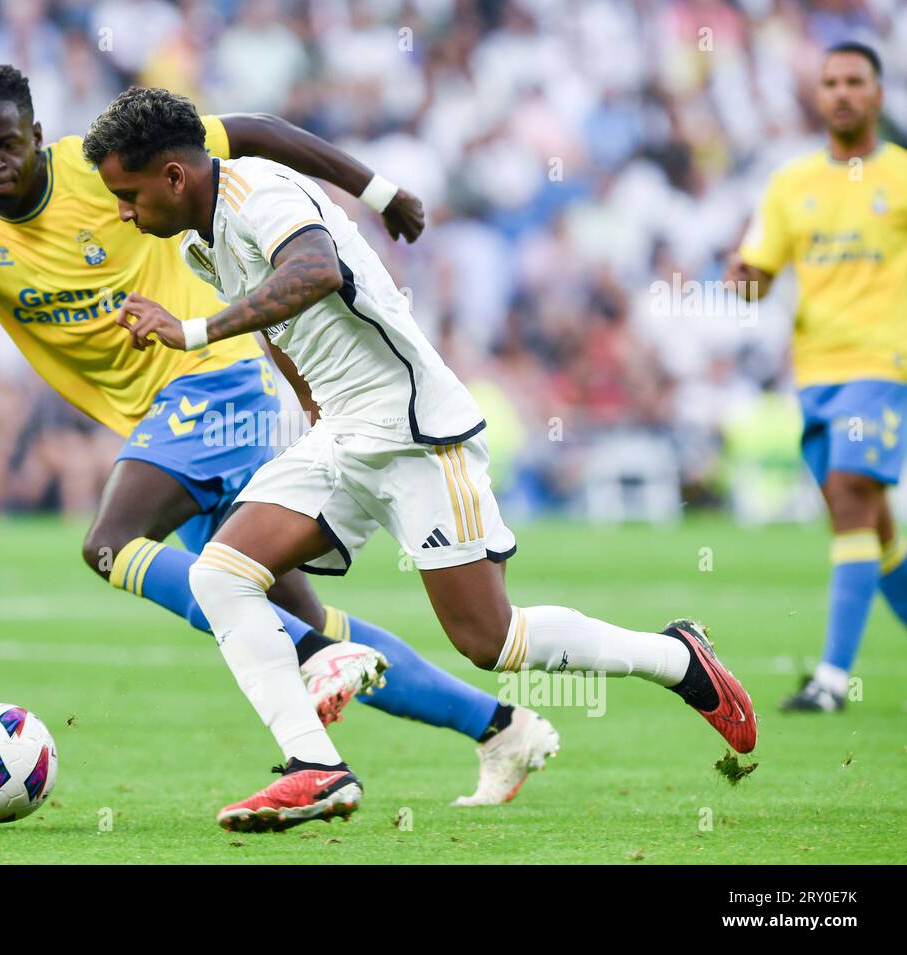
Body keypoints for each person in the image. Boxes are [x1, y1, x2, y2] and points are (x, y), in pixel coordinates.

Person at [0, 66, 560, 806]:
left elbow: (257, 133)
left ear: (36, 136)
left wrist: (377, 190)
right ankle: (498, 726)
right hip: (165, 425)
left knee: (109, 542)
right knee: (284, 616)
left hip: (212, 379)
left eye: (6, 145)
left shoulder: (103, 167)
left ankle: (320, 686)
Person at [83, 86, 756, 832]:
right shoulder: (196, 240)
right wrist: (310, 405)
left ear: (174, 176)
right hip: (342, 434)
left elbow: (314, 272)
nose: (122, 211)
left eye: (126, 194)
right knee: (220, 572)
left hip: (415, 432)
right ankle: (316, 767)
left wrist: (193, 329)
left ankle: (677, 659)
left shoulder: (260, 192)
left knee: (491, 641)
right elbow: (282, 326)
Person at [726, 42, 907, 712]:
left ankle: (831, 681)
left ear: (878, 95)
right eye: (830, 82)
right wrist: (743, 280)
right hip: (817, 372)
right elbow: (757, 275)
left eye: (855, 82)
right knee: (870, 524)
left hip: (883, 365)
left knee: (850, 491)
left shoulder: (903, 176)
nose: (841, 93)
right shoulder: (790, 184)